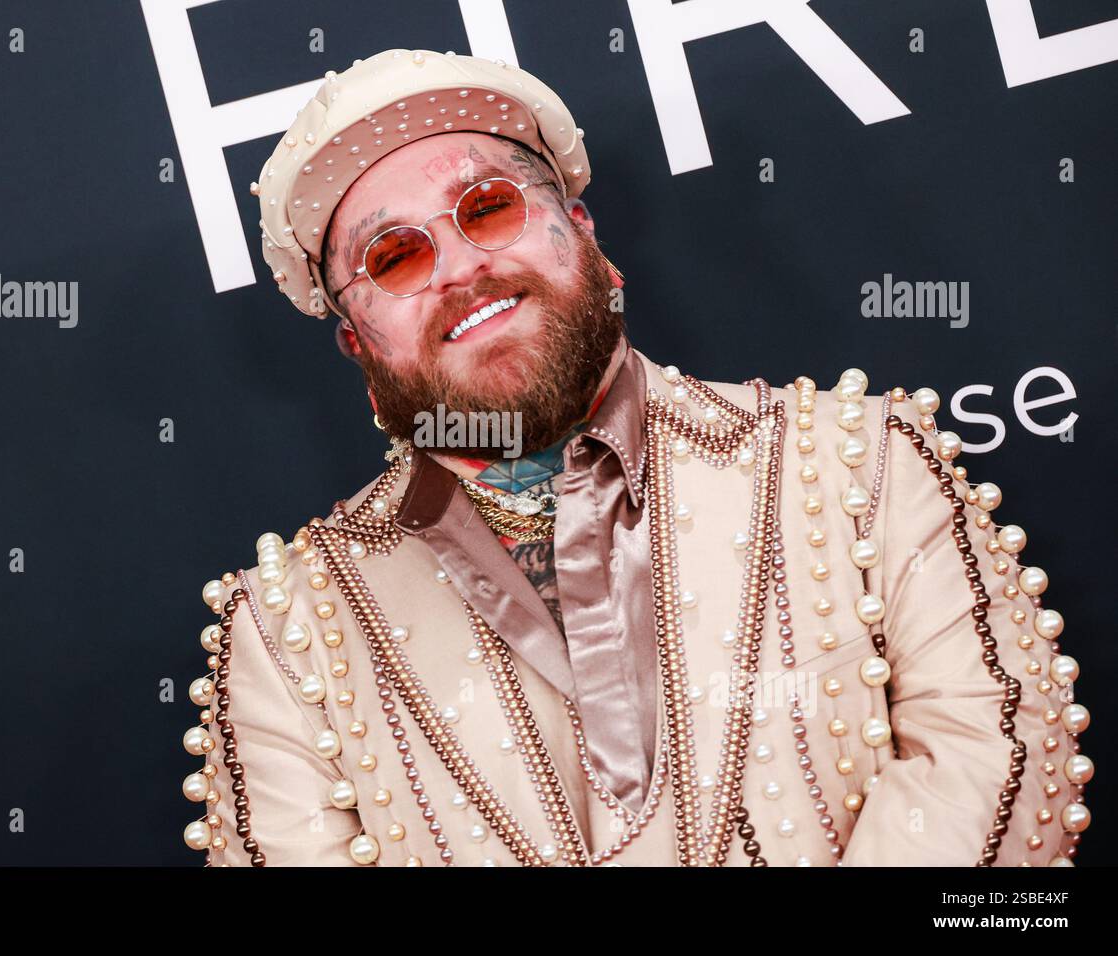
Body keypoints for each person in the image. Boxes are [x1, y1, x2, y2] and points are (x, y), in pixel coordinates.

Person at [178, 49, 1093, 866]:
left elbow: (1004, 763)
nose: (457, 267)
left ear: (584, 234)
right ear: (358, 347)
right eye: (394, 257)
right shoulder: (286, 633)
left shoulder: (864, 462)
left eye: (487, 207)